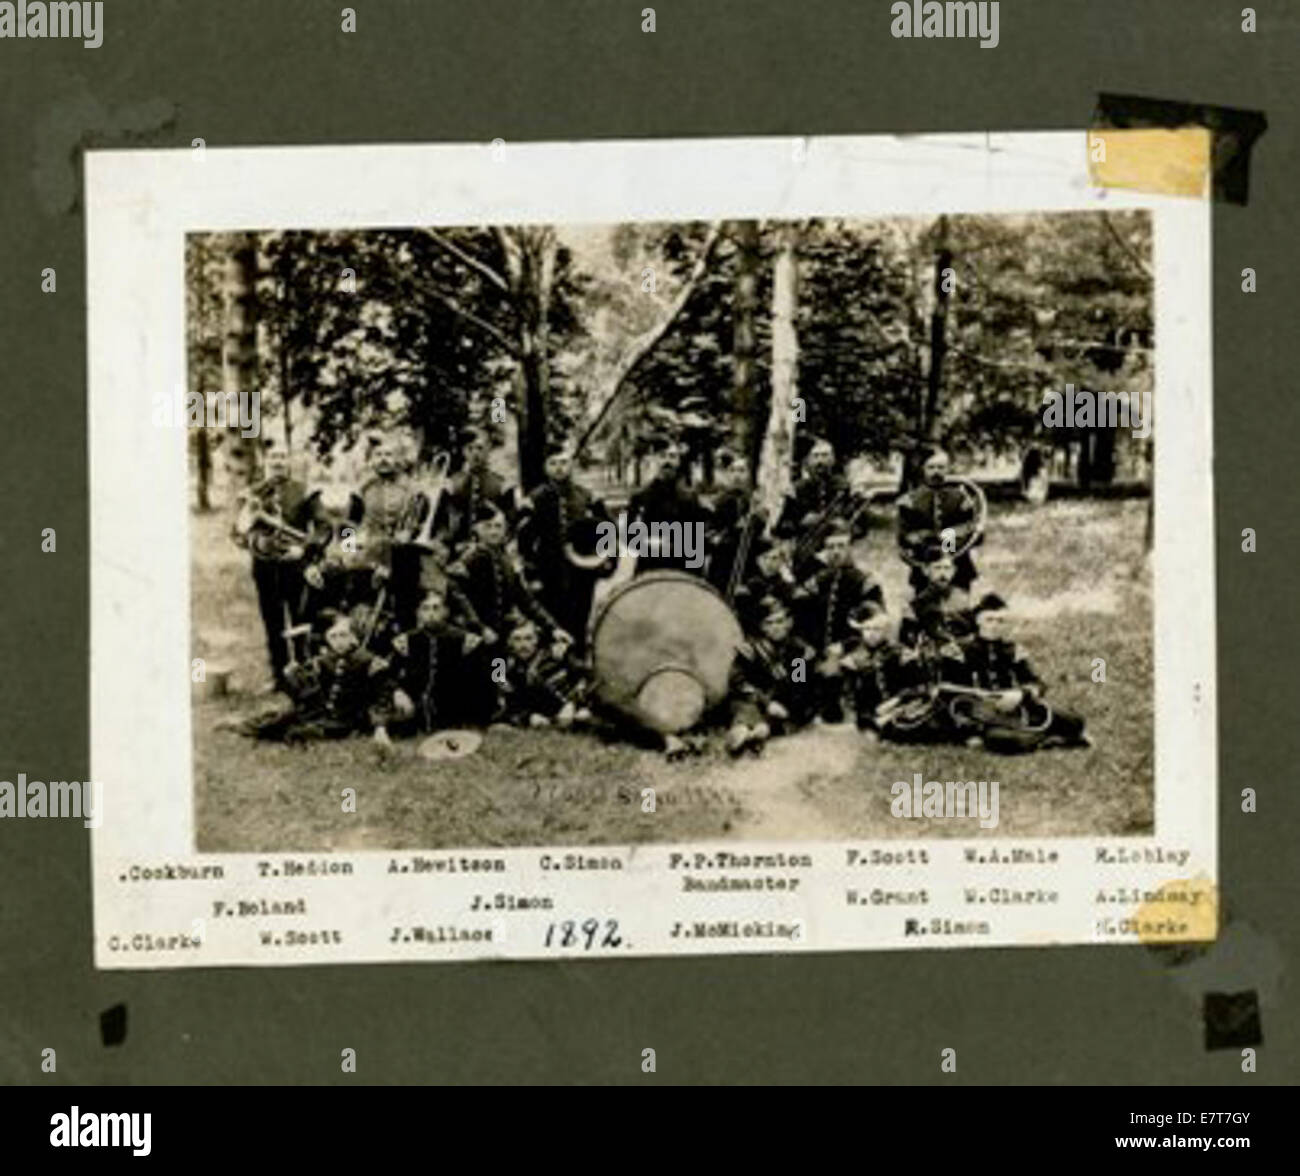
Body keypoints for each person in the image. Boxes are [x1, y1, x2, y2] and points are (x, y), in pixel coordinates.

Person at [234, 445, 329, 692]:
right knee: (272, 622)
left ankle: (306, 673)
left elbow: (324, 527)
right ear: (265, 460)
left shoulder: (304, 490)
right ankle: (278, 678)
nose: (278, 461)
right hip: (264, 567)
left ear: (289, 461)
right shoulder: (252, 493)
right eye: (273, 457)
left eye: (283, 456)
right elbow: (237, 532)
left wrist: (305, 549)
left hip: (296, 565)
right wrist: (256, 542)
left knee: (301, 620)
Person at [517, 442, 611, 656]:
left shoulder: (586, 496)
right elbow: (524, 539)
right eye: (554, 463)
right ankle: (552, 674)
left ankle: (578, 672)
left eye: (564, 462)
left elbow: (607, 528)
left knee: (579, 621)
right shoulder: (535, 498)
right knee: (552, 624)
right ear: (546, 468)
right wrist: (532, 573)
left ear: (572, 465)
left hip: (582, 573)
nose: (559, 468)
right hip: (549, 573)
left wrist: (603, 560)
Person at [240, 615, 391, 743]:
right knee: (281, 719)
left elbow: (381, 697)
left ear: (354, 638)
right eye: (333, 636)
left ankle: (267, 732)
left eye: (343, 635)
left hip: (347, 720)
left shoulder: (367, 661)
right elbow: (302, 690)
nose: (338, 641)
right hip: (320, 714)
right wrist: (292, 675)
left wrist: (380, 726)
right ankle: (248, 727)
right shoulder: (324, 660)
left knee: (297, 732)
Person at [792, 519, 885, 720]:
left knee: (831, 674)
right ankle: (797, 703)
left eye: (841, 546)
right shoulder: (817, 580)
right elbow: (800, 616)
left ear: (850, 547)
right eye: (831, 547)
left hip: (851, 645)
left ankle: (835, 707)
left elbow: (875, 626)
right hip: (817, 646)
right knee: (796, 665)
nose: (836, 552)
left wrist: (844, 645)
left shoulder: (865, 581)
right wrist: (805, 644)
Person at [449, 505, 572, 651]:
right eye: (488, 526)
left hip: (501, 637)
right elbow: (460, 600)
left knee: (499, 671)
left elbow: (525, 599)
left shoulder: (506, 561)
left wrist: (553, 628)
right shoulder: (467, 560)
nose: (494, 532)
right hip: (474, 639)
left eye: (498, 526)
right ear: (477, 529)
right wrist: (480, 628)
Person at [726, 596, 819, 754]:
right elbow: (738, 683)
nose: (776, 627)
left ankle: (758, 732)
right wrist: (766, 702)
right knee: (746, 708)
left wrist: (782, 706)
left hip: (782, 701)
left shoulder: (797, 650)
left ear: (788, 624)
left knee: (790, 713)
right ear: (762, 627)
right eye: (770, 623)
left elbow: (798, 684)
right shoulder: (750, 650)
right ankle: (743, 731)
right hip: (754, 698)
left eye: (780, 621)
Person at [386, 591, 489, 733]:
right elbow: (388, 676)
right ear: (418, 613)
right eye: (425, 608)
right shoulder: (405, 641)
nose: (431, 613)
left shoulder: (465, 640)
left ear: (446, 612)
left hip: (458, 712)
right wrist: (397, 691)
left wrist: (502, 686)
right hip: (416, 712)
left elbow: (495, 664)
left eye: (436, 608)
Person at [897, 447, 983, 594]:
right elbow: (904, 536)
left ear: (948, 469)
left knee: (959, 610)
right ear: (923, 470)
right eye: (931, 467)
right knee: (925, 610)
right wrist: (929, 542)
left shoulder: (961, 499)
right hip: (923, 566)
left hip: (958, 567)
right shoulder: (910, 501)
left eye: (941, 467)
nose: (936, 471)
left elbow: (974, 531)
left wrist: (949, 540)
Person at [625, 440, 712, 576]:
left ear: (678, 461)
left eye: (672, 456)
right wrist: (648, 542)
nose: (667, 461)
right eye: (662, 456)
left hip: (684, 571)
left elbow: (700, 540)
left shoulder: (691, 498)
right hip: (650, 570)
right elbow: (629, 536)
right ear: (654, 460)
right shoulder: (640, 497)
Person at [493, 620, 585, 728]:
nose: (523, 645)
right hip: (541, 717)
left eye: (528, 638)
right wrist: (528, 717)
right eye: (517, 639)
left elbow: (585, 679)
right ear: (510, 642)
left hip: (570, 709)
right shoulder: (502, 667)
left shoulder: (556, 656)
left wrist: (572, 704)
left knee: (583, 717)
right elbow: (506, 704)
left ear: (536, 640)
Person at [438, 427, 515, 551]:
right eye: (470, 448)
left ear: (488, 450)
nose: (475, 453)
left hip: (492, 551)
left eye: (480, 448)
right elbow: (443, 523)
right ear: (463, 451)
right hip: (458, 551)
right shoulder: (452, 484)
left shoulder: (501, 485)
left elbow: (510, 523)